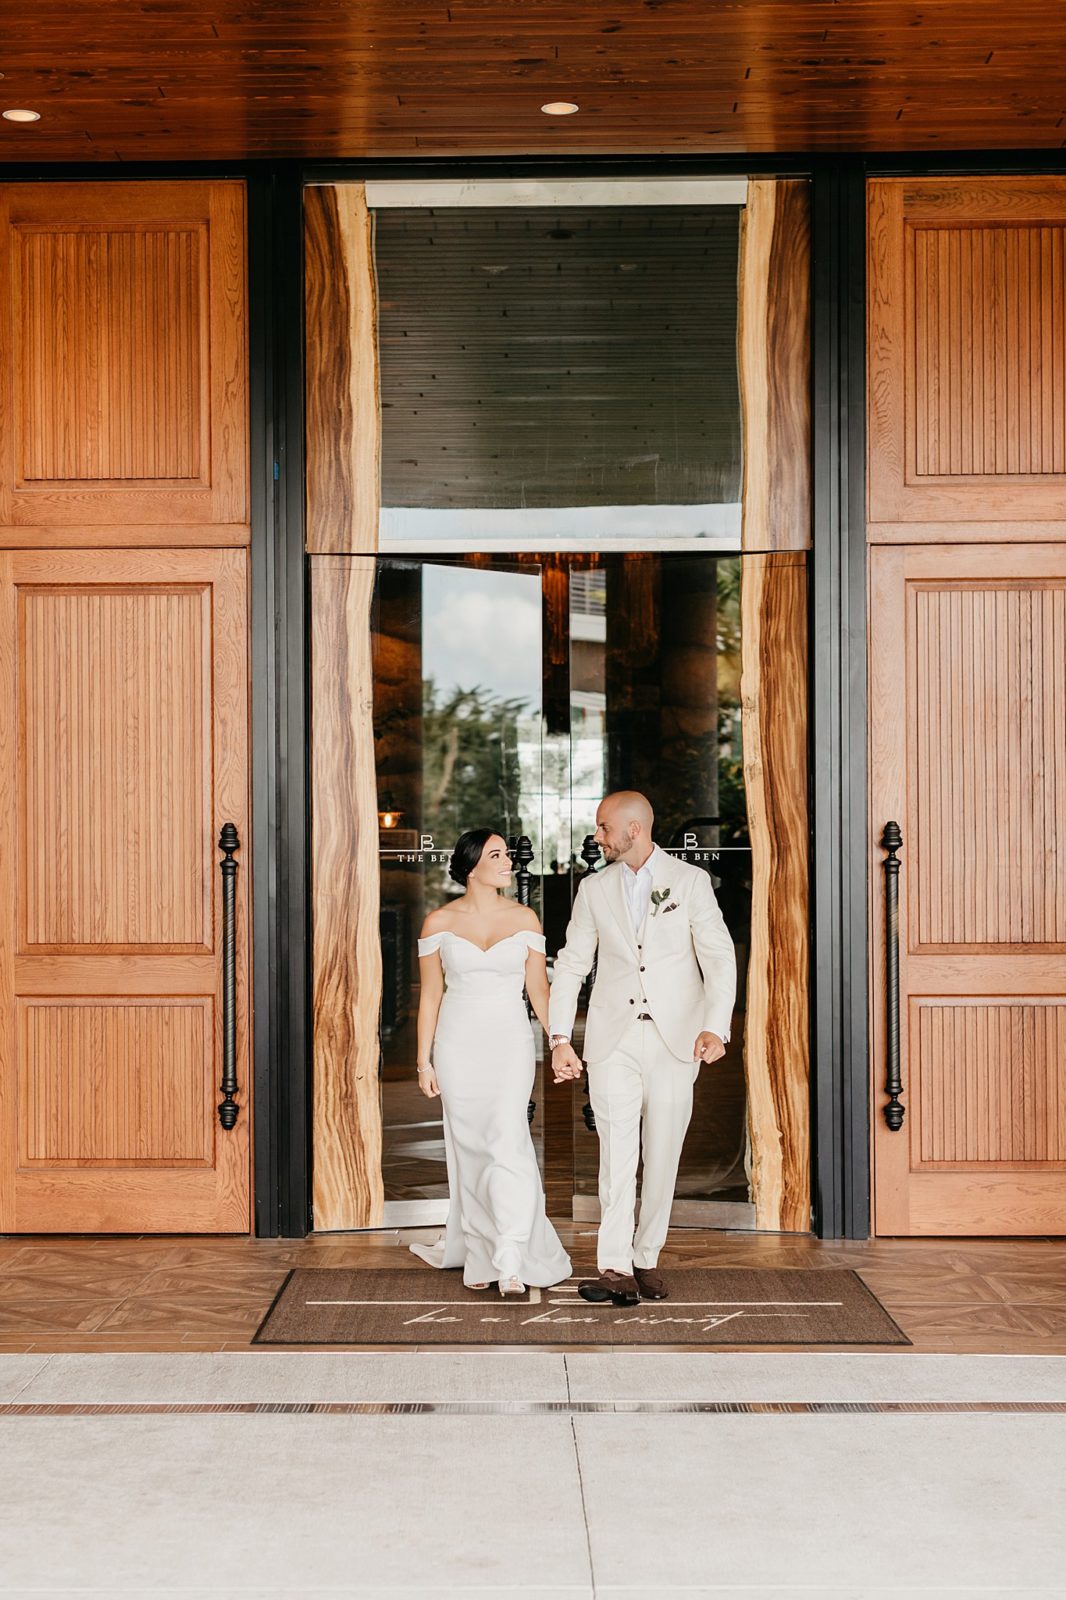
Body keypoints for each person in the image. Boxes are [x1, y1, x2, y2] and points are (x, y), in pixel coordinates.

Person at [548, 791, 736, 1306]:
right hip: (613, 1038)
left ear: (634, 829)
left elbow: (719, 958)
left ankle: (646, 1256)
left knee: (663, 1153)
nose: (597, 835)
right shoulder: (593, 889)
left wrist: (716, 1028)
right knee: (616, 1152)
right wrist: (560, 1036)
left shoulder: (691, 882)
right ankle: (612, 1266)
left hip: (677, 1039)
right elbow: (571, 964)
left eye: (604, 827)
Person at [410, 828, 572, 1295]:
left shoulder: (526, 918)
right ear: (471, 865)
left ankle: (512, 1251)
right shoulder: (437, 922)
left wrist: (558, 1039)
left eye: (506, 854)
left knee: (507, 1141)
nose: (509, 862)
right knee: (471, 1148)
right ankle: (482, 1251)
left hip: (509, 1044)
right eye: (497, 854)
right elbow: (431, 996)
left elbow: (538, 989)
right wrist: (424, 1062)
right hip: (457, 1045)